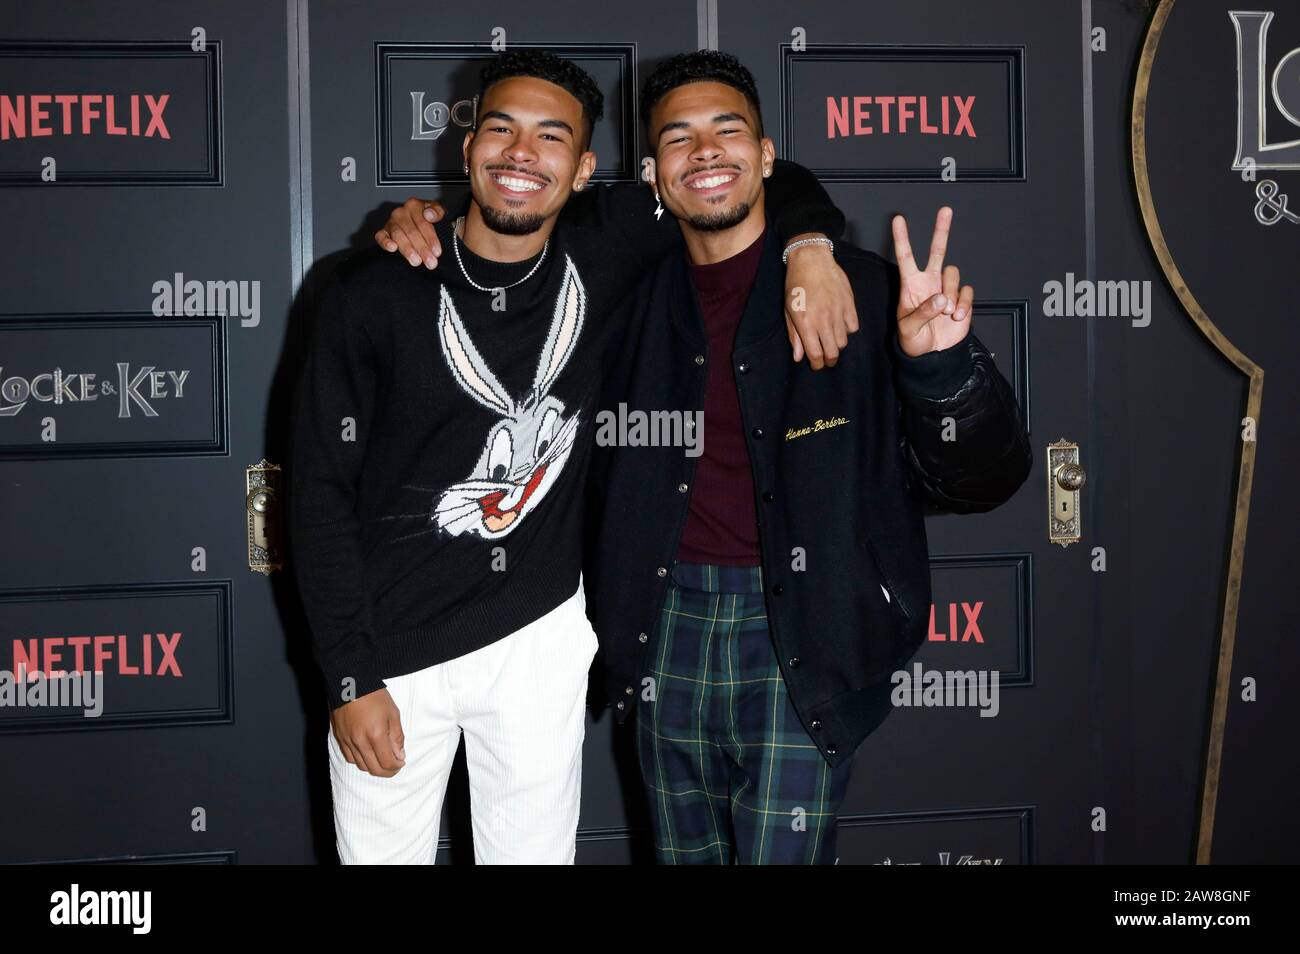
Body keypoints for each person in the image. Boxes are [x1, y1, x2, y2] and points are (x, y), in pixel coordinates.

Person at [291, 48, 856, 864]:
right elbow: (317, 491)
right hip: (391, 654)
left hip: (538, 638)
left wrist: (809, 244)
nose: (522, 154)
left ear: (586, 168)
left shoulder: (614, 239)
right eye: (502, 130)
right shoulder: (370, 289)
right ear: (467, 147)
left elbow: (747, 175)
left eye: (551, 138)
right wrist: (350, 675)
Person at [582, 50, 1033, 863]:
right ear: (652, 174)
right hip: (664, 627)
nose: (706, 152)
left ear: (766, 155)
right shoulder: (626, 298)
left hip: (802, 627)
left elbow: (985, 478)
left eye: (728, 131)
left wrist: (939, 369)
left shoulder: (860, 291)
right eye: (679, 139)